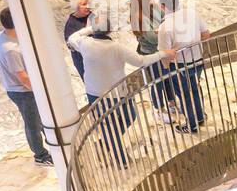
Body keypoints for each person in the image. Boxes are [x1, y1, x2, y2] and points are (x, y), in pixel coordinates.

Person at [69, 10, 176, 168]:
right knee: (114, 123)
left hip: (98, 92)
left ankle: (109, 141)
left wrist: (90, 28)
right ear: (110, 29)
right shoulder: (116, 48)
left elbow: (72, 38)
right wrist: (163, 54)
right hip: (113, 93)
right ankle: (121, 159)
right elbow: (141, 61)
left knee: (126, 118)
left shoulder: (85, 43)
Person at [0, 7, 51, 166]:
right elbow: (22, 77)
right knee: (33, 123)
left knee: (40, 118)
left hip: (26, 89)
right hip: (23, 92)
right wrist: (41, 90)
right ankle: (40, 155)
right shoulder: (10, 50)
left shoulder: (5, 36)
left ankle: (52, 142)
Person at [156, 0, 211, 133]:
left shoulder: (165, 27)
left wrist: (166, 69)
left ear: (162, 6)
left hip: (180, 66)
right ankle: (200, 117)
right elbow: (206, 34)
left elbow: (164, 54)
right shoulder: (192, 14)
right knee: (195, 89)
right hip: (198, 60)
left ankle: (191, 125)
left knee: (185, 95)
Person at [62, 0, 91, 79]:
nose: (88, 6)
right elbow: (71, 45)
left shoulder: (93, 16)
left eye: (88, 3)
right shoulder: (71, 25)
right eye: (84, 4)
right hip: (83, 62)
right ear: (76, 6)